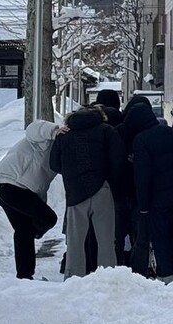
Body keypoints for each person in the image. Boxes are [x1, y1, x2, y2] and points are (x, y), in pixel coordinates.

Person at [50, 105, 123, 278]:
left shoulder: (64, 134)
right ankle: (108, 277)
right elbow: (118, 159)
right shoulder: (106, 130)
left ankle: (74, 276)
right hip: (102, 189)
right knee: (105, 239)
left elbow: (54, 164)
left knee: (75, 241)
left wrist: (71, 173)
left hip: (75, 192)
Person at [0, 118, 59, 280]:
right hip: (13, 185)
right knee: (48, 218)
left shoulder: (56, 156)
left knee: (24, 232)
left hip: (8, 189)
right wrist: (55, 130)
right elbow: (34, 127)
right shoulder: (44, 139)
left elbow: (40, 184)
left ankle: (24, 276)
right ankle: (25, 272)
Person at [132, 102, 173, 282]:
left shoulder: (141, 140)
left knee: (159, 236)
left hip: (156, 197)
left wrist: (143, 205)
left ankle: (166, 274)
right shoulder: (171, 132)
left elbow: (142, 175)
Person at [117, 95, 159, 271]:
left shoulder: (118, 131)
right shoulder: (151, 133)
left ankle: (117, 267)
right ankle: (138, 271)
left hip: (118, 190)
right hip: (141, 193)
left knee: (117, 235)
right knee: (141, 235)